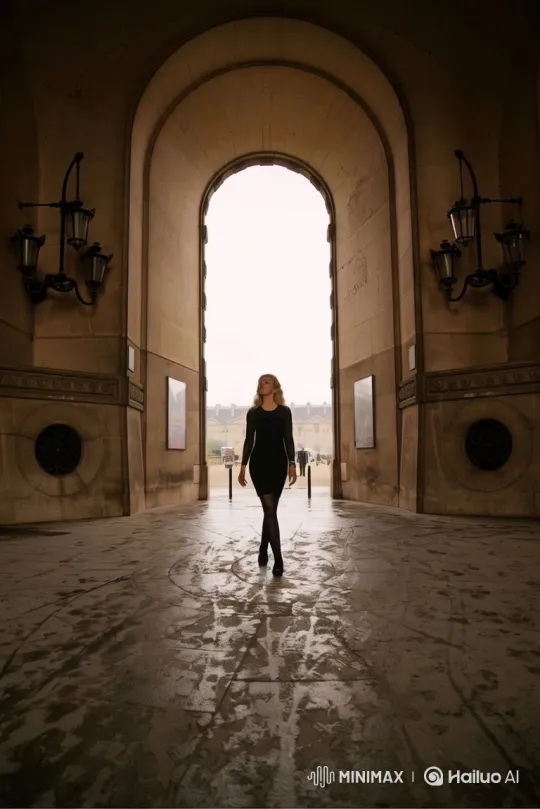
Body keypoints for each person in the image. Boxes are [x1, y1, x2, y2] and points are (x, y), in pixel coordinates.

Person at [238, 374, 297, 576]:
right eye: (260, 382)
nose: (262, 384)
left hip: (278, 464)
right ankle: (279, 560)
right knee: (269, 509)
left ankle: (263, 548)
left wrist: (292, 463)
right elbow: (249, 441)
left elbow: (288, 439)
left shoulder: (284, 412)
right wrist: (243, 465)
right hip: (259, 465)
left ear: (274, 387)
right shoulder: (253, 413)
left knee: (270, 510)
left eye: (266, 382)